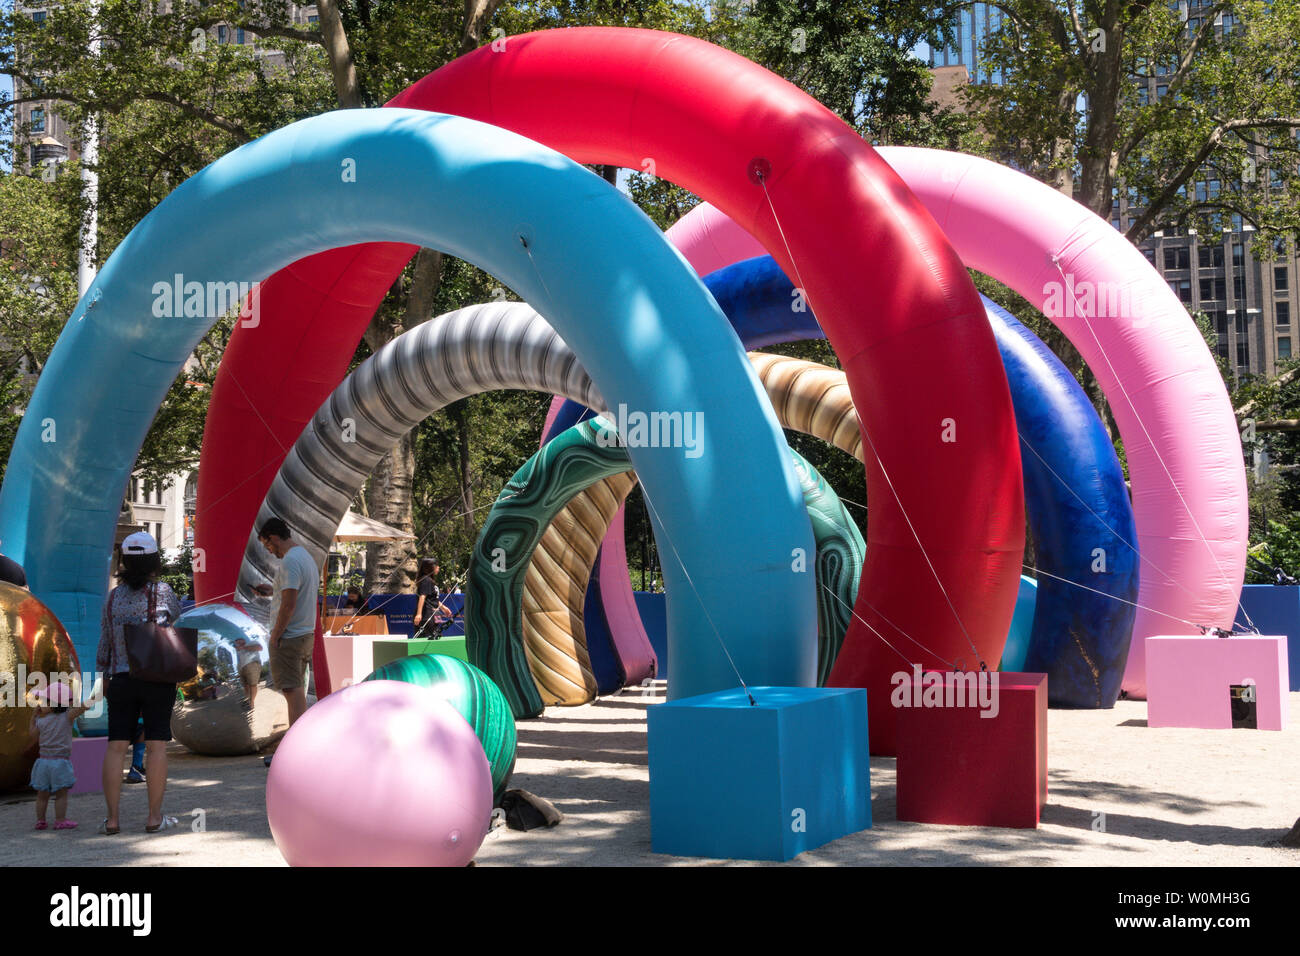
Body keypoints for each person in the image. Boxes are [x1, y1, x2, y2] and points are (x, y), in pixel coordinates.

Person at [96, 531, 181, 835]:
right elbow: (176, 624)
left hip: (120, 678)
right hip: (157, 679)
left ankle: (112, 819)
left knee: (116, 746)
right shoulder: (163, 593)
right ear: (153, 561)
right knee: (157, 745)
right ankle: (154, 817)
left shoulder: (113, 598)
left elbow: (105, 642)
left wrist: (104, 675)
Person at [257, 518, 318, 766]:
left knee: (292, 693)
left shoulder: (290, 561)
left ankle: (295, 752)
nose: (268, 550)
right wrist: (272, 591)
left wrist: (276, 634)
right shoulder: (304, 557)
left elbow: (290, 604)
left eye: (266, 545)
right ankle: (300, 747)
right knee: (297, 693)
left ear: (273, 537)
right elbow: (293, 594)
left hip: (289, 636)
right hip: (304, 634)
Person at [27, 682, 99, 830]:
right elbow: (82, 708)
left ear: (53, 704)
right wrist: (94, 697)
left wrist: (33, 717)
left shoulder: (41, 721)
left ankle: (40, 821)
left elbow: (32, 735)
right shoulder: (67, 717)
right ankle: (60, 820)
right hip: (60, 762)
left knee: (42, 795)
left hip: (43, 762)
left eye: (45, 701)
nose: (41, 704)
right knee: (61, 795)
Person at [413, 558, 452, 639]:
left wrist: (444, 608)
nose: (438, 568)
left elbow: (433, 599)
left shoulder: (430, 580)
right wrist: (419, 614)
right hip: (426, 616)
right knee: (429, 638)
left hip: (433, 614)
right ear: (430, 567)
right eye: (436, 566)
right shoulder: (426, 580)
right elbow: (422, 597)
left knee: (436, 636)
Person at [233, 636, 264, 708]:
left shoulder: (251, 643)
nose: (238, 642)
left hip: (252, 664)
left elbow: (260, 648)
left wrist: (243, 647)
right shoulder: (239, 651)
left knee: (252, 684)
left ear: (243, 640)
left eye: (239, 640)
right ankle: (248, 699)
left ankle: (251, 702)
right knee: (245, 685)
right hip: (242, 668)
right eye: (236, 641)